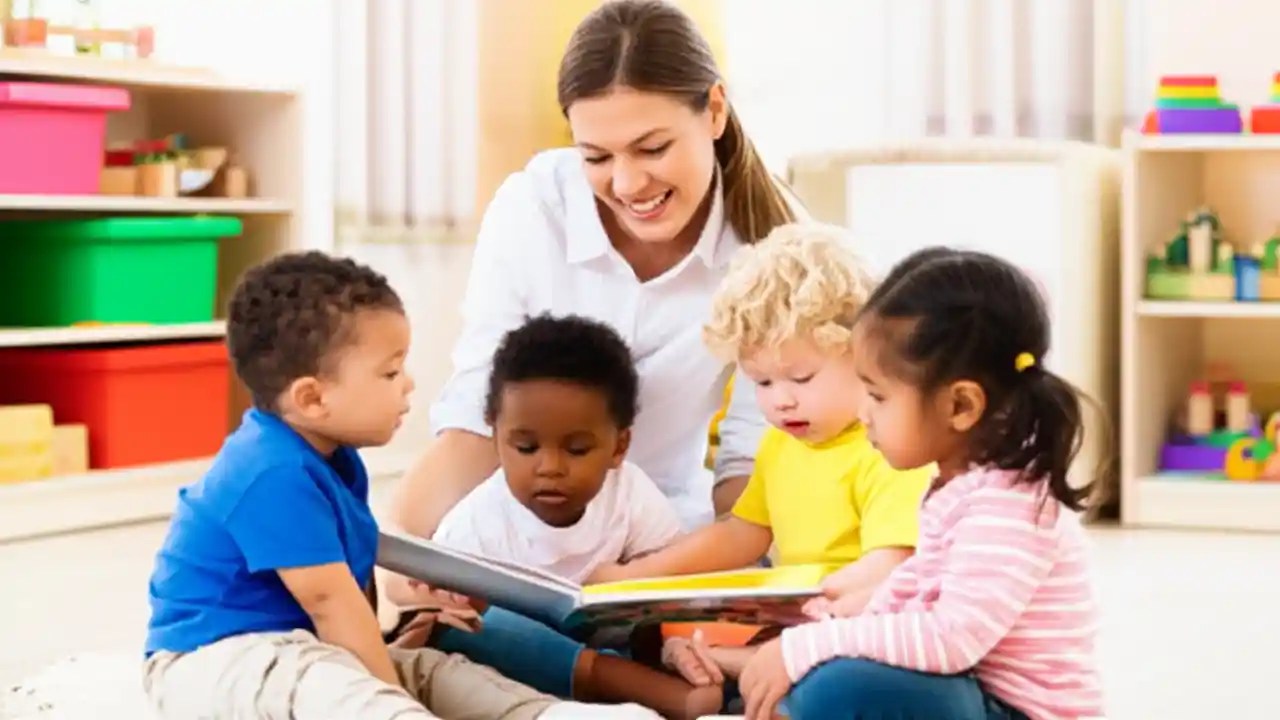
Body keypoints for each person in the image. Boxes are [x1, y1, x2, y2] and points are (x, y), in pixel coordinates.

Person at [387, 0, 803, 606]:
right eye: (597, 157)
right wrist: (404, 549)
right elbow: (482, 408)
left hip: (665, 538)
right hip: (522, 529)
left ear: (715, 111)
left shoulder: (775, 243)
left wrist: (702, 580)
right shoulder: (534, 206)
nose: (629, 185)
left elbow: (750, 464)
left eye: (653, 148)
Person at [141, 252, 654, 720]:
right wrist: (390, 693)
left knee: (434, 670)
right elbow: (330, 603)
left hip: (305, 646)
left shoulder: (335, 460)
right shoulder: (267, 471)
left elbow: (354, 593)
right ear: (313, 398)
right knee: (337, 686)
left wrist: (390, 645)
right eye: (391, 372)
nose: (408, 383)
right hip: (218, 659)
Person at [737, 248, 1108, 720]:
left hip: (1013, 710)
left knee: (840, 687)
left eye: (877, 395)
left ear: (960, 406)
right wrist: (830, 624)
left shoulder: (1007, 503)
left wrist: (812, 645)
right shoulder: (957, 486)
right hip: (974, 692)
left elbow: (950, 638)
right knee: (825, 672)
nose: (862, 412)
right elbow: (911, 594)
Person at [588, 223, 933, 685]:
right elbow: (741, 534)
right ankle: (731, 664)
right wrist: (635, 577)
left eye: (801, 378)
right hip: (797, 620)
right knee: (655, 634)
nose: (780, 400)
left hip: (863, 622)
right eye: (762, 383)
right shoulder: (780, 444)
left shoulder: (888, 449)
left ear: (865, 357)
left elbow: (890, 566)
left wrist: (813, 615)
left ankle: (739, 666)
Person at [429, 313, 723, 719]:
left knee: (661, 603)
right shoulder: (474, 525)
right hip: (530, 660)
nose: (550, 467)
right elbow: (446, 617)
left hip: (615, 640)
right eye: (526, 448)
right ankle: (644, 691)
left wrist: (676, 642)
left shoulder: (628, 492)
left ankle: (639, 680)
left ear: (619, 447)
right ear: (496, 436)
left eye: (577, 450)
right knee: (471, 630)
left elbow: (670, 586)